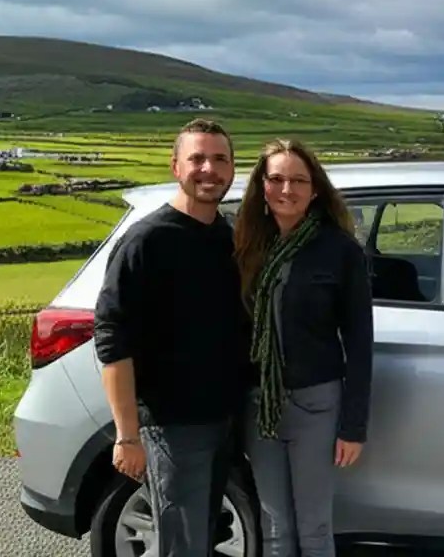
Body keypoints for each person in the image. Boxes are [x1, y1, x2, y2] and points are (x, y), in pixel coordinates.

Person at [92, 118, 249, 557]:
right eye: (197, 158)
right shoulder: (147, 242)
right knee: (181, 545)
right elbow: (111, 337)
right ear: (176, 166)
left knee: (201, 538)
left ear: (233, 168)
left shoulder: (229, 237)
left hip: (223, 420)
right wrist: (127, 435)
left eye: (220, 159)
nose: (209, 169)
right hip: (172, 424)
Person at [233, 138, 374, 557]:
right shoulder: (247, 249)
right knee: (274, 528)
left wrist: (354, 426)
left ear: (315, 189)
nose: (286, 190)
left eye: (298, 180)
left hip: (316, 404)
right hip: (260, 405)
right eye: (276, 179)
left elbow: (360, 343)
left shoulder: (340, 251)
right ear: (262, 186)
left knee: (314, 528)